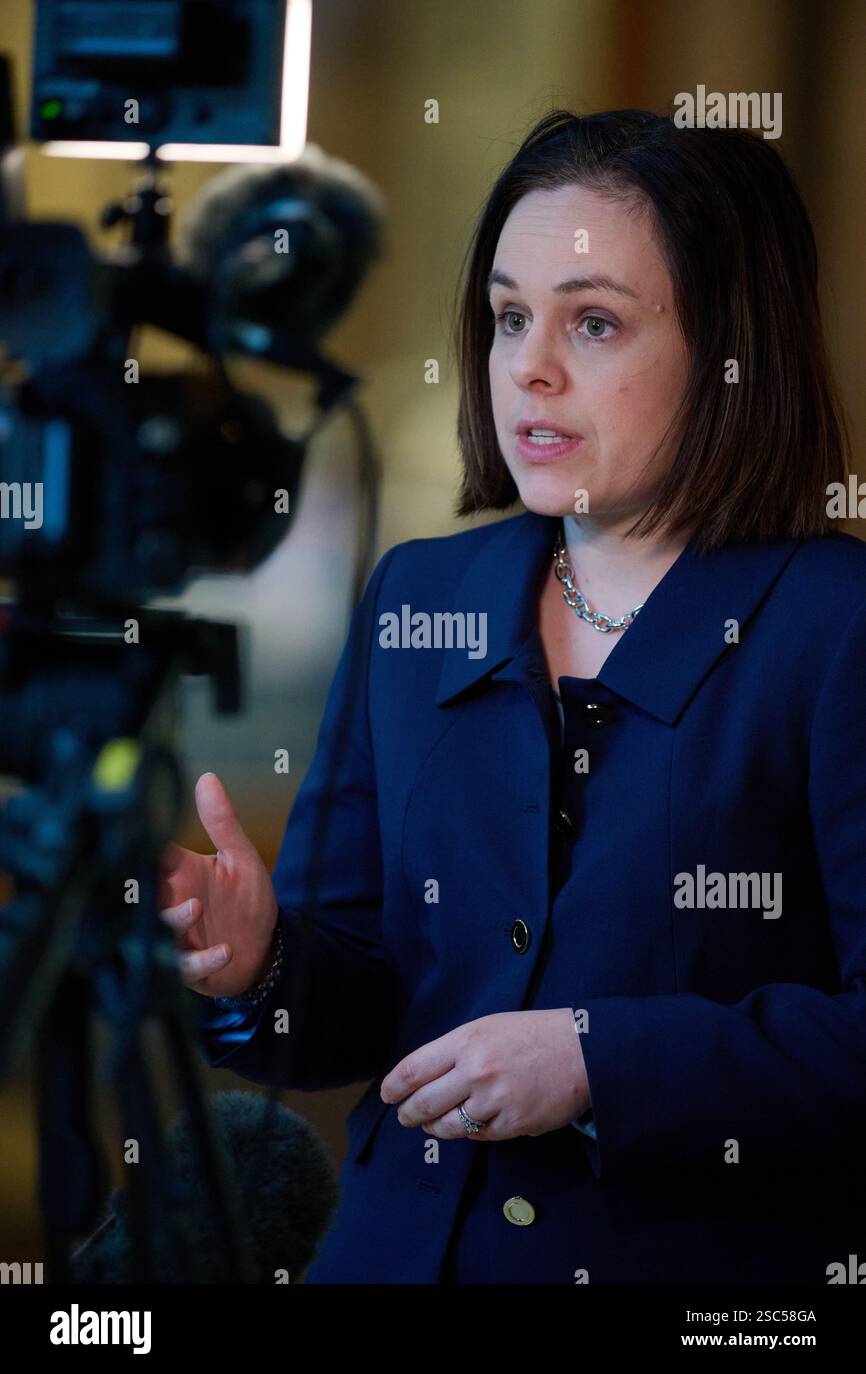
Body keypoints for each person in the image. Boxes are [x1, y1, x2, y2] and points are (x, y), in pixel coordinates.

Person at [158, 109, 866, 1284]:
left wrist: (602, 1060)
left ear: (730, 350)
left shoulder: (833, 621)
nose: (528, 366)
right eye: (506, 317)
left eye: (593, 322)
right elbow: (354, 1004)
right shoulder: (417, 596)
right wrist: (255, 961)